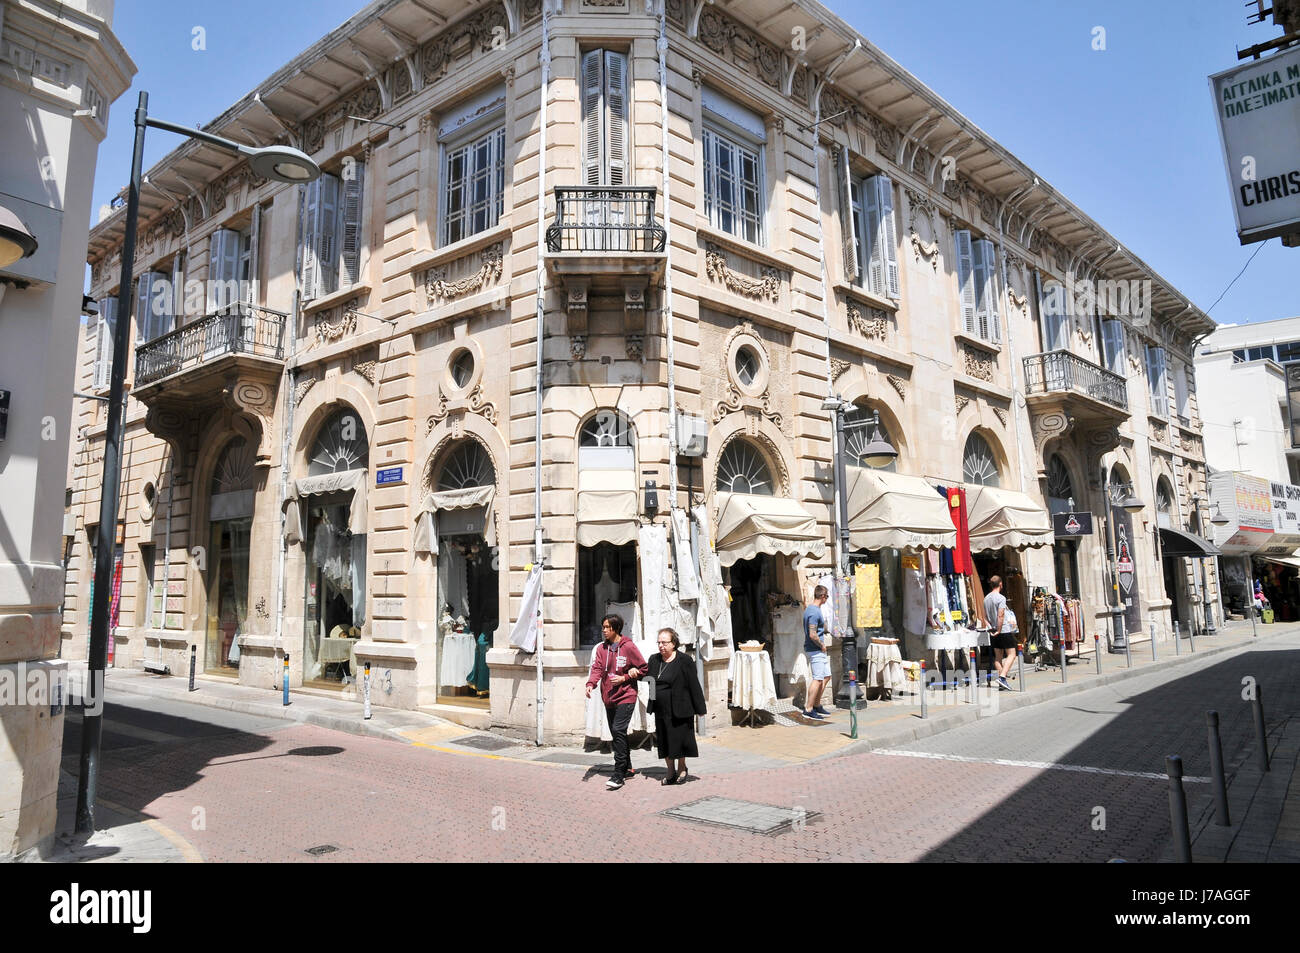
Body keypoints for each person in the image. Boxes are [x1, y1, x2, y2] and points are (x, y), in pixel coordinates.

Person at [585, 613, 648, 790]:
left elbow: (644, 668)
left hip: (626, 695)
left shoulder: (628, 647)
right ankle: (627, 767)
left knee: (618, 729)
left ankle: (619, 773)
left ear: (616, 628)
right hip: (608, 696)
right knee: (617, 733)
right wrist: (591, 684)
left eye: (607, 627)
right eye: (603, 627)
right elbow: (597, 668)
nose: (604, 630)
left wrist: (625, 677)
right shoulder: (601, 649)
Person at [646, 628, 707, 785]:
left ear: (673, 643)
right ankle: (670, 770)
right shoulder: (654, 660)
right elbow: (651, 682)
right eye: (659, 642)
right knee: (664, 741)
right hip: (661, 708)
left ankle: (682, 768)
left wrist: (700, 708)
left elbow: (694, 685)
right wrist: (652, 702)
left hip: (680, 707)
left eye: (664, 642)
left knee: (679, 740)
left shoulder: (684, 660)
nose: (661, 646)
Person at [984, 575, 1018, 690]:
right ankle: (1002, 677)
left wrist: (991, 628)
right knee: (1012, 654)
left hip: (993, 630)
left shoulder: (986, 598)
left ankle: (1001, 682)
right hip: (1003, 630)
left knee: (998, 657)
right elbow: (1001, 615)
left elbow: (984, 617)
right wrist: (999, 629)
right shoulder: (1001, 598)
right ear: (1001, 584)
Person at [803, 585, 832, 719]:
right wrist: (821, 645)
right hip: (815, 649)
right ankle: (808, 709)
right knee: (818, 679)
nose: (827, 598)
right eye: (827, 596)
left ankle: (816, 704)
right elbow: (812, 634)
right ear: (822, 596)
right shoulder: (814, 612)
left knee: (826, 676)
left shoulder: (811, 609)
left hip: (817, 649)